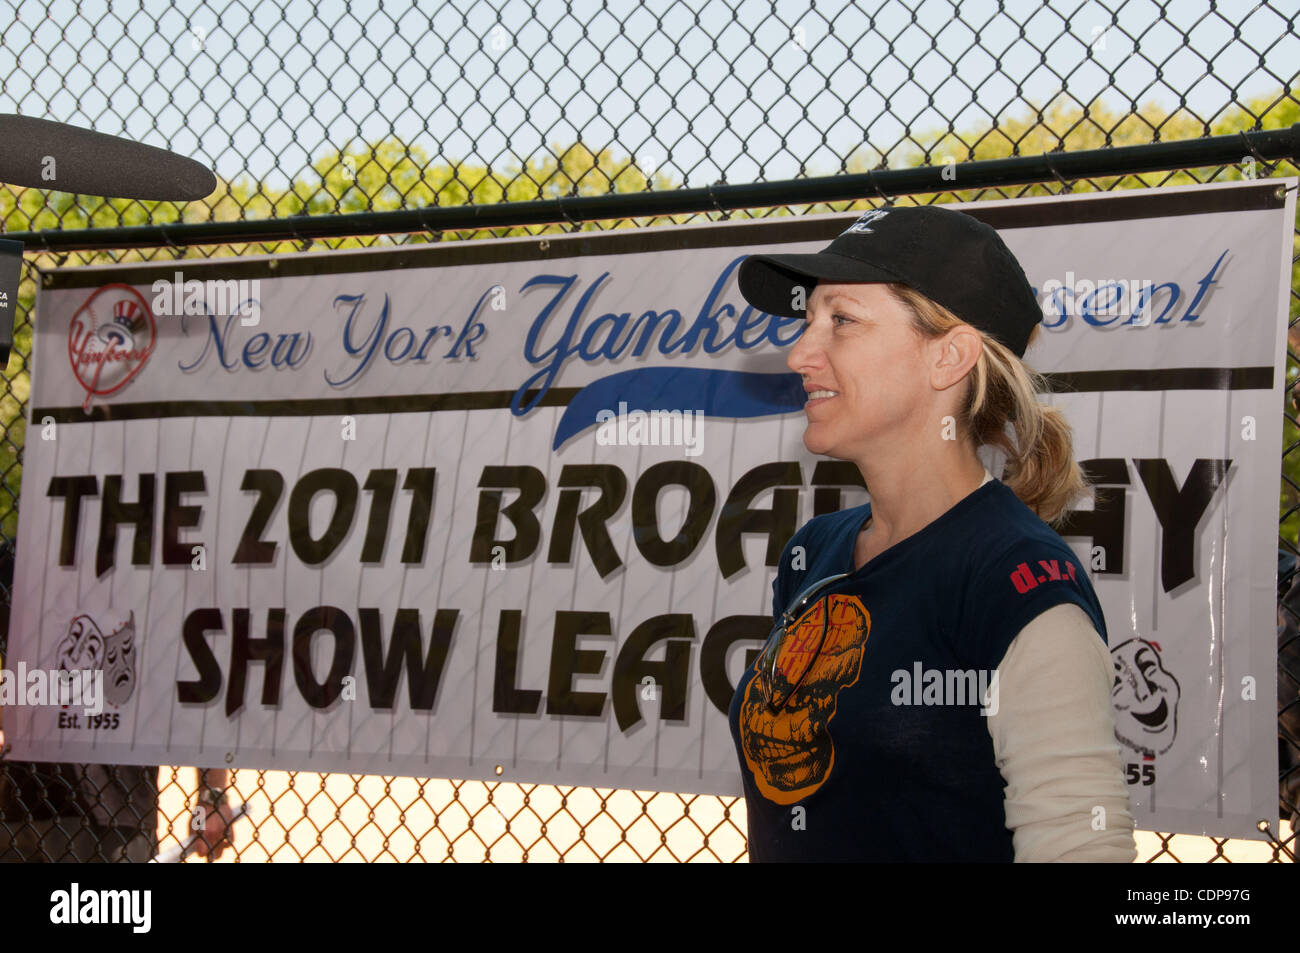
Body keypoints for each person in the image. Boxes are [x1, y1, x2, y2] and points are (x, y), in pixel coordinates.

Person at [728, 203, 1137, 862]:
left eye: (842, 321)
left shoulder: (1015, 580)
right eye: (809, 321)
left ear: (949, 356)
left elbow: (1078, 843)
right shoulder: (816, 552)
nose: (800, 352)